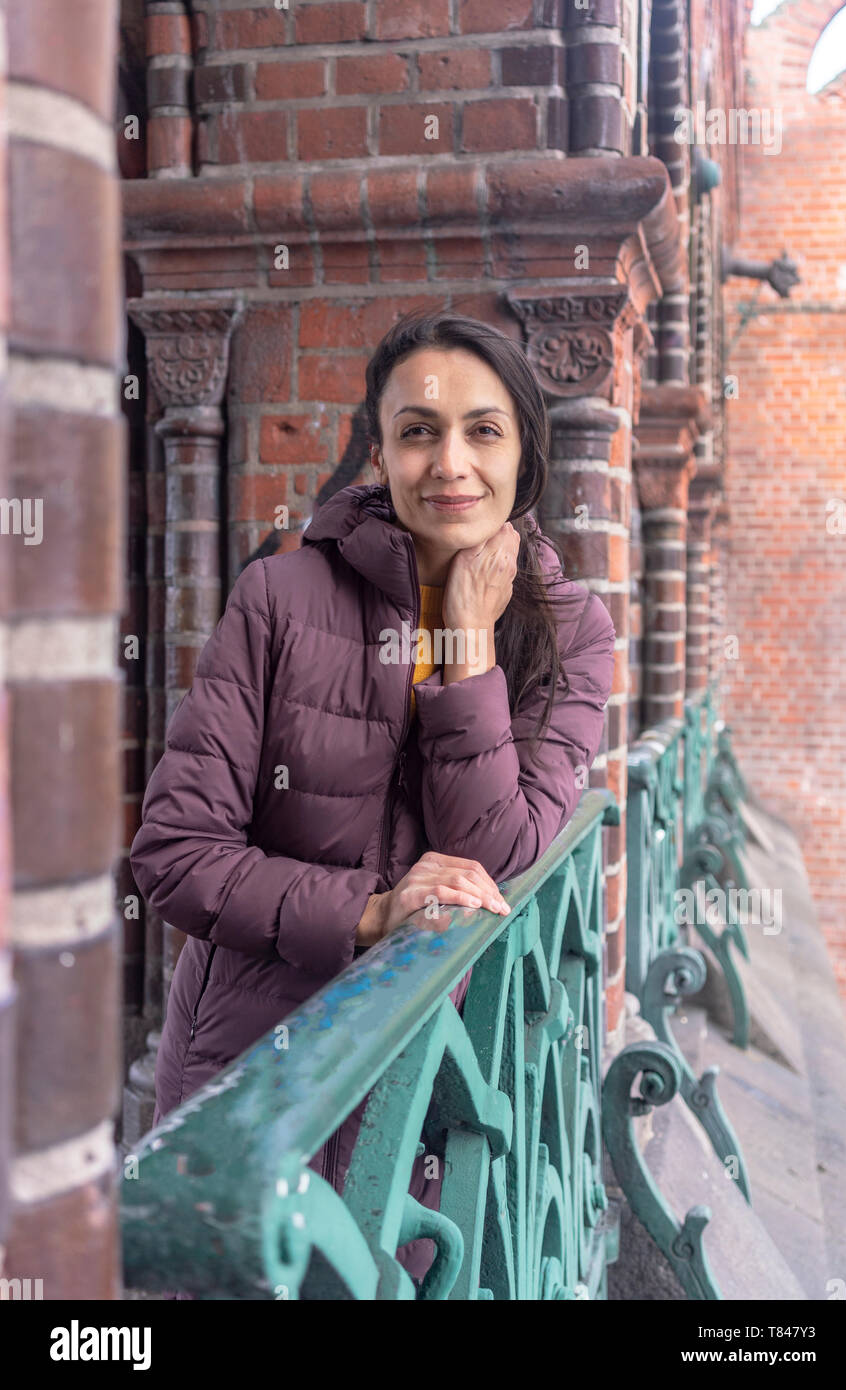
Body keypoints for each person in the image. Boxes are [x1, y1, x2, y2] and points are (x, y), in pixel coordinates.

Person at [129, 308, 617, 1294]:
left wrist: (463, 640)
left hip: (432, 1098)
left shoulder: (571, 629)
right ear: (380, 450)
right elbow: (174, 852)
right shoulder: (282, 599)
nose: (450, 461)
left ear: (523, 455)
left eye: (482, 430)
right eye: (417, 430)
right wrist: (368, 911)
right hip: (257, 1082)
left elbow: (500, 842)